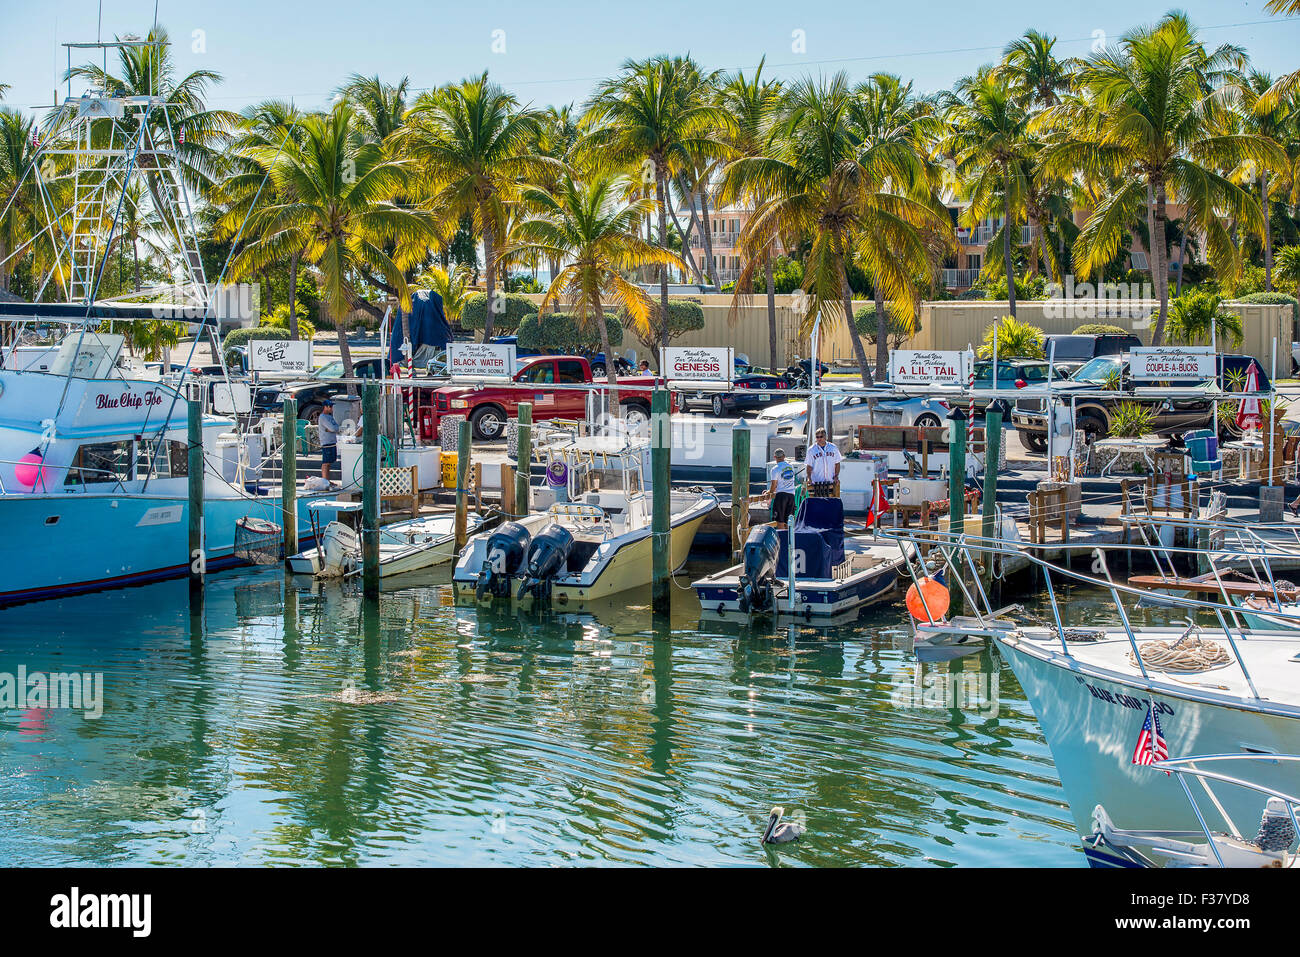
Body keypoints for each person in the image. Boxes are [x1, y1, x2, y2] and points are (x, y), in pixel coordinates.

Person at [764, 449, 798, 528]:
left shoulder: (775, 469)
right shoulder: (791, 466)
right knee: (789, 521)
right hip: (791, 496)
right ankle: (788, 539)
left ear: (774, 457)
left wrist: (768, 492)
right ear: (784, 456)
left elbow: (773, 485)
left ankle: (782, 539)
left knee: (780, 521)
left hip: (781, 496)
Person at [805, 426, 841, 498]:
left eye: (821, 437)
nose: (819, 439)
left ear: (825, 437)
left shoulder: (833, 448)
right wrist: (809, 478)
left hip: (831, 482)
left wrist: (836, 476)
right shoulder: (811, 450)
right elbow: (809, 466)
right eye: (817, 437)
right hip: (817, 483)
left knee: (831, 503)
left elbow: (837, 463)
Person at [318, 398, 339, 484]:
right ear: (325, 407)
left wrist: (332, 429)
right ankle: (325, 480)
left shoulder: (330, 417)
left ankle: (327, 480)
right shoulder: (323, 417)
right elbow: (333, 428)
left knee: (330, 462)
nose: (331, 408)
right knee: (326, 462)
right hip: (326, 442)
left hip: (332, 441)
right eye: (330, 406)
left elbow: (337, 428)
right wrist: (331, 429)